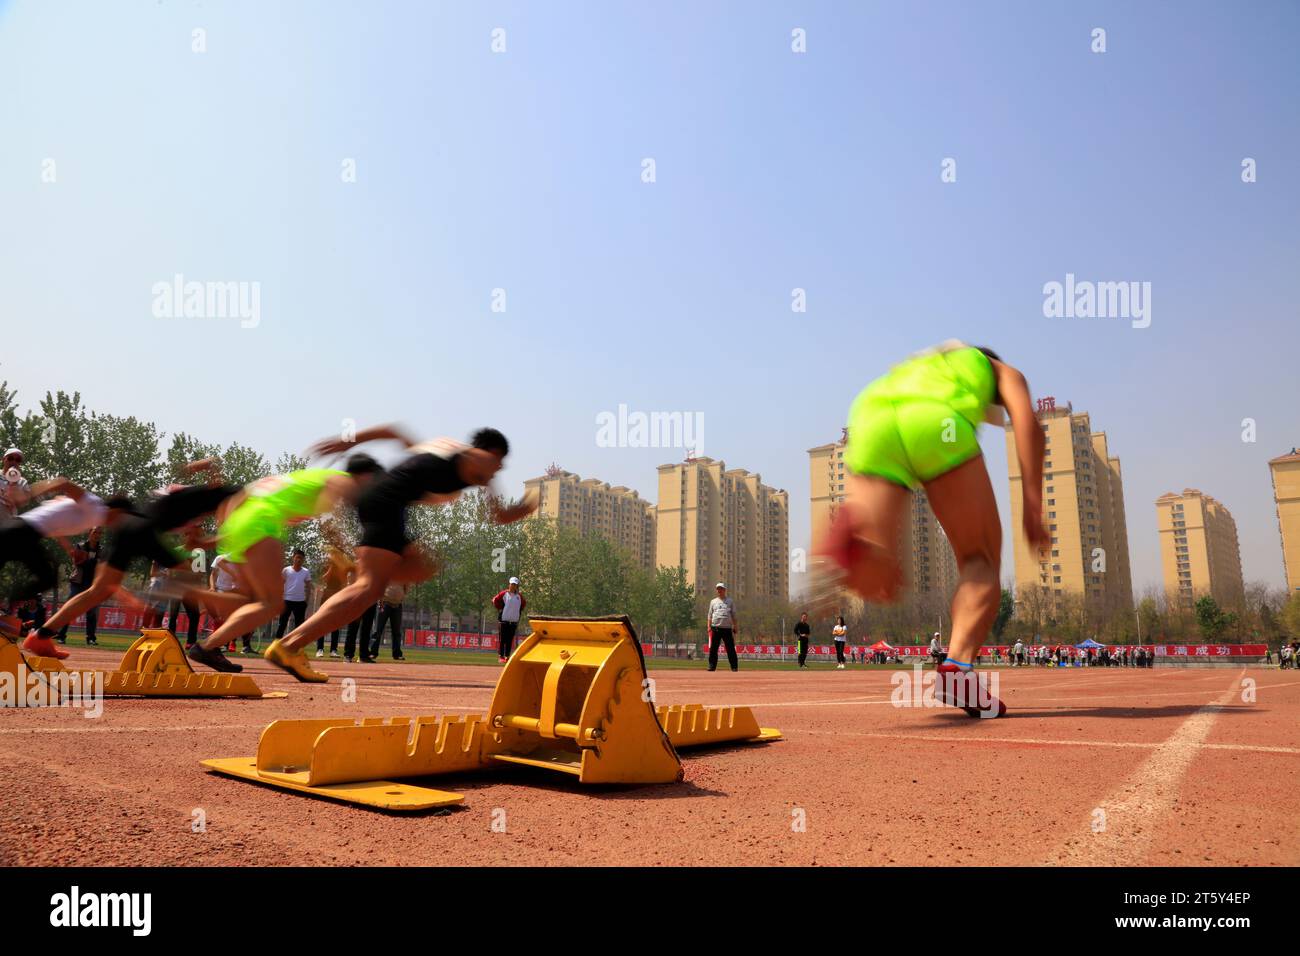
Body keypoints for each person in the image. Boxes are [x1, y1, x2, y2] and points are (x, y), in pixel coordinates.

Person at [815, 342, 1049, 718]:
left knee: (878, 542)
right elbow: (1029, 426)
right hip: (935, 422)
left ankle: (866, 536)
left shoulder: (927, 362)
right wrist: (1033, 502)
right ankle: (958, 668)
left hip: (871, 413)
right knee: (980, 562)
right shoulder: (998, 370)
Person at [272, 427, 536, 680]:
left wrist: (524, 509)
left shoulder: (464, 462)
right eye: (500, 461)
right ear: (490, 452)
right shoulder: (474, 458)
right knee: (368, 589)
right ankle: (289, 645)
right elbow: (393, 431)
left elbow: (498, 515)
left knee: (421, 568)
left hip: (388, 505)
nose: (500, 468)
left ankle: (351, 568)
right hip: (385, 502)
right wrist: (350, 441)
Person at [186, 455, 385, 677]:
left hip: (242, 523)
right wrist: (349, 552)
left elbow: (237, 500)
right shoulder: (343, 479)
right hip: (262, 523)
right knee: (271, 604)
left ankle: (206, 637)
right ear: (365, 476)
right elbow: (328, 518)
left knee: (251, 600)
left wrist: (212, 539)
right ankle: (209, 645)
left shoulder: (300, 479)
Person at [29, 460, 241, 658]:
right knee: (187, 570)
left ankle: (40, 636)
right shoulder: (223, 499)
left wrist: (204, 467)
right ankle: (169, 615)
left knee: (97, 590)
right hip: (143, 529)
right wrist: (207, 466)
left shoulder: (199, 498)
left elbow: (200, 512)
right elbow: (220, 510)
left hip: (128, 528)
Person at [1, 477, 132, 652]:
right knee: (48, 576)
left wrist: (70, 549)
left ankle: (6, 611)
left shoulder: (92, 517)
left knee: (48, 576)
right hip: (22, 532)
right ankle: (6, 611)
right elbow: (63, 482)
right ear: (118, 512)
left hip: (23, 533)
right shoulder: (95, 505)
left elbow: (56, 525)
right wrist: (27, 494)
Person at [57, 527, 103, 646]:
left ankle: (91, 638)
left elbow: (102, 566)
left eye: (99, 533)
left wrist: (90, 562)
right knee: (70, 609)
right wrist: (93, 562)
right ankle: (61, 636)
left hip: (93, 584)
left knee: (92, 612)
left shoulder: (101, 550)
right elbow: (78, 562)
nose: (97, 535)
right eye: (94, 532)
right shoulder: (80, 546)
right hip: (78, 583)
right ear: (89, 533)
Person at [210, 552, 256, 654]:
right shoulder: (222, 557)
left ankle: (240, 644)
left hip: (235, 590)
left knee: (239, 618)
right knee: (225, 618)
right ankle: (224, 644)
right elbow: (213, 573)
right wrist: (212, 587)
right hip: (222, 590)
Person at [314, 546, 353, 658]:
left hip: (337, 595)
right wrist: (331, 567)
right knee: (322, 621)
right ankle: (320, 649)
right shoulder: (326, 565)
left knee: (336, 623)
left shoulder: (343, 567)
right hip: (327, 594)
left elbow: (344, 582)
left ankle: (333, 650)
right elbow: (324, 579)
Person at [276, 548, 313, 649]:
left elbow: (309, 586)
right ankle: (276, 645)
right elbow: (280, 584)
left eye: (301, 558)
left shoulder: (306, 571)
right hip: (286, 600)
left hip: (300, 602)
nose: (299, 560)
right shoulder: (286, 570)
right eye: (297, 557)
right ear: (293, 558)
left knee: (299, 626)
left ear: (303, 559)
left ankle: (297, 646)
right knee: (282, 623)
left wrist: (307, 600)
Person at [370, 581, 407, 661]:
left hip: (397, 605)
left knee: (397, 632)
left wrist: (402, 597)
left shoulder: (403, 574)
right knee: (377, 630)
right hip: (384, 603)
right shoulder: (387, 571)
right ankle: (373, 653)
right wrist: (380, 598)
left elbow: (406, 587)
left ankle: (397, 654)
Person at [706, 582, 739, 672]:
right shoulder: (713, 601)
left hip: (727, 628)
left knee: (730, 649)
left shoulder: (730, 601)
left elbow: (734, 615)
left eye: (721, 588)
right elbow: (709, 615)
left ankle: (734, 667)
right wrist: (708, 626)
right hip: (716, 628)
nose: (719, 590)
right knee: (713, 649)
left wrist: (735, 626)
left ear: (724, 590)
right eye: (718, 589)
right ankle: (712, 666)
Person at [491, 576, 525, 663]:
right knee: (503, 639)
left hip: (513, 622)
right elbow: (495, 600)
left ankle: (507, 656)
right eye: (512, 584)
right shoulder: (504, 594)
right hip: (504, 620)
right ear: (509, 584)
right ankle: (501, 656)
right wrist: (500, 608)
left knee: (510, 640)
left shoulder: (519, 596)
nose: (513, 586)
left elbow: (523, 605)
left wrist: (517, 613)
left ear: (517, 586)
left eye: (515, 584)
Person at [0, 448, 31, 518]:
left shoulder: (22, 482)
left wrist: (13, 480)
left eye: (18, 460)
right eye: (10, 458)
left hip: (6, 522)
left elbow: (24, 502)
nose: (14, 462)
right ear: (4, 459)